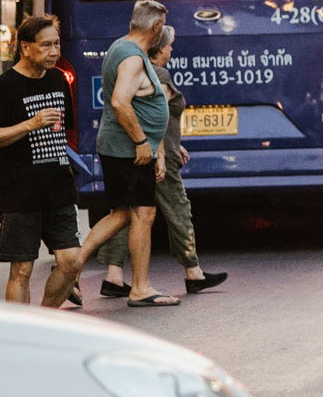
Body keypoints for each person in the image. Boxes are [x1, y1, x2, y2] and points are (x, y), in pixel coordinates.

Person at [96, 26, 226, 298]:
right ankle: (193, 271)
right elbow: (157, 115)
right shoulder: (159, 74)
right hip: (154, 153)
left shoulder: (135, 65)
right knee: (177, 207)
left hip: (138, 148)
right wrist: (166, 149)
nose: (172, 50)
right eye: (170, 46)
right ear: (159, 47)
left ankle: (114, 275)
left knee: (127, 211)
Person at [74, 0, 180, 307]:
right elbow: (121, 101)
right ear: (156, 27)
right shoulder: (132, 57)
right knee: (143, 214)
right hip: (128, 149)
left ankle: (73, 265)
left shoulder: (123, 47)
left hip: (120, 147)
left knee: (122, 213)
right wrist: (141, 142)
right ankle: (141, 288)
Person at [0, 16, 83, 308]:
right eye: (46, 46)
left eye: (57, 44)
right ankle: (20, 337)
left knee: (72, 261)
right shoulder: (4, 86)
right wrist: (31, 124)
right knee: (22, 269)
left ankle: (43, 320)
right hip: (19, 191)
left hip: (59, 188)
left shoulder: (58, 80)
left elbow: (64, 131)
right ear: (25, 48)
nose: (54, 52)